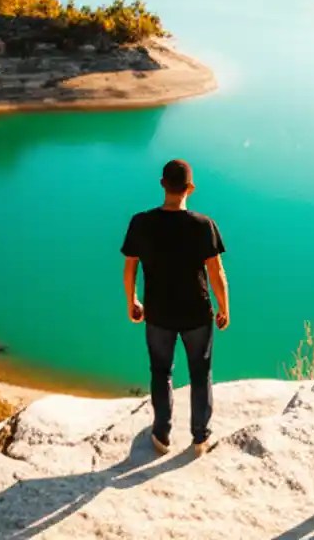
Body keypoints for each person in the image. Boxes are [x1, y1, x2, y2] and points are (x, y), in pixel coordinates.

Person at [122, 159, 230, 457]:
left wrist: (132, 300)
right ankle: (200, 437)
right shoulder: (202, 225)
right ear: (190, 188)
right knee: (200, 373)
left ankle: (161, 435)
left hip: (158, 314)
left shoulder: (140, 223)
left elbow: (130, 266)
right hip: (197, 314)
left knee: (160, 372)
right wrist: (224, 307)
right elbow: (216, 273)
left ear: (162, 185)